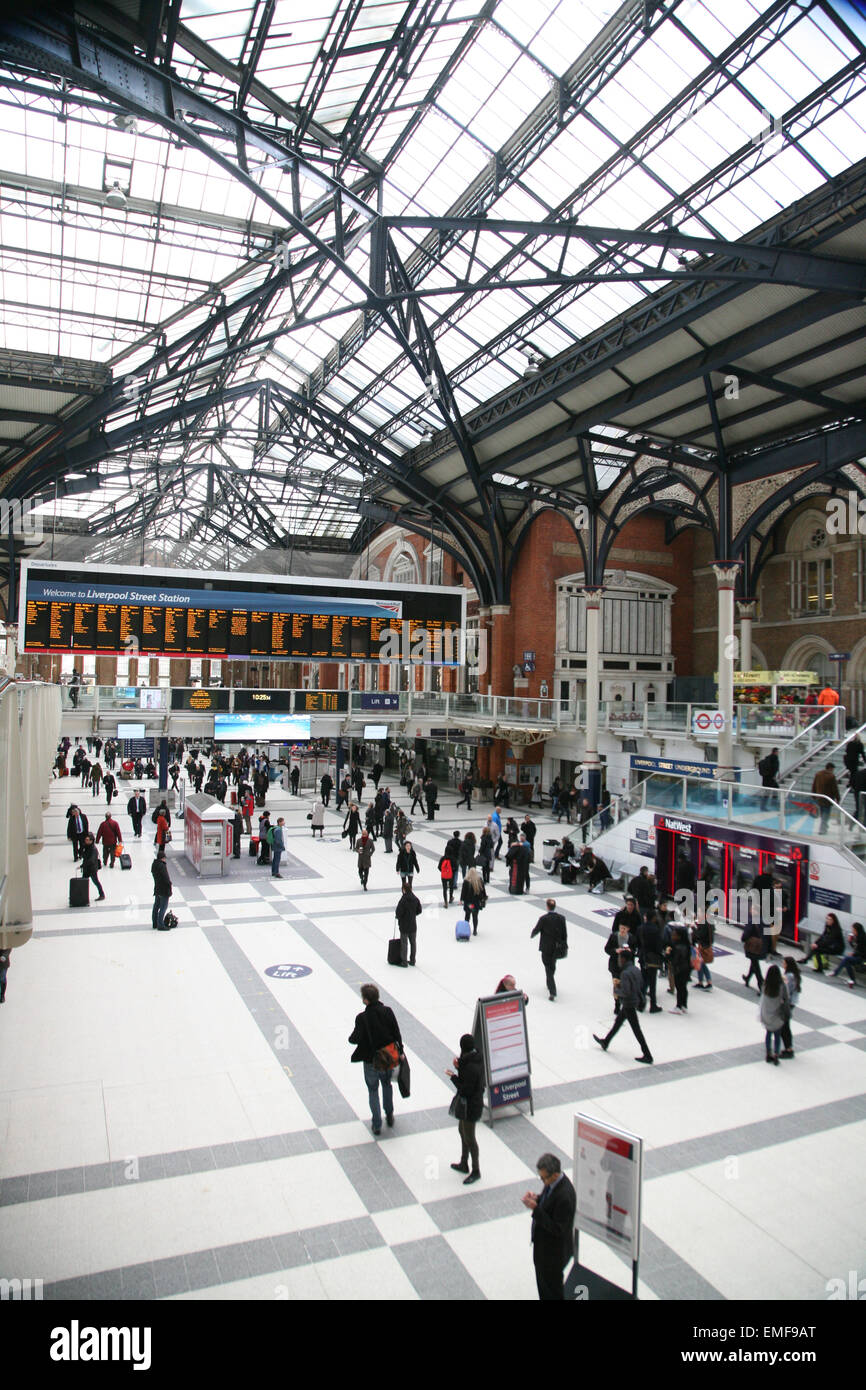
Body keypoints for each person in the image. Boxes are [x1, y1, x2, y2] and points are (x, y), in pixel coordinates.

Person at [348, 983, 403, 1136]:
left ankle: (377, 1124)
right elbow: (396, 1033)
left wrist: (352, 1038)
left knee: (373, 1090)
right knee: (387, 1084)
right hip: (387, 1058)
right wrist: (401, 1051)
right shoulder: (387, 1011)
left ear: (366, 1000)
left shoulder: (362, 1018)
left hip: (370, 1060)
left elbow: (355, 1038)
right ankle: (389, 1114)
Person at [521, 1153, 577, 1301]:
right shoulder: (552, 1184)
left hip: (553, 1255)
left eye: (544, 1178)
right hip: (543, 1251)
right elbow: (548, 1201)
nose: (543, 1182)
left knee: (552, 1291)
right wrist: (537, 1199)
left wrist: (536, 1209)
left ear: (555, 1174)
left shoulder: (565, 1196)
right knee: (544, 1288)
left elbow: (558, 1229)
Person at [594, 947, 653, 1064]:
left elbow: (626, 991)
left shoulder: (625, 973)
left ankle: (647, 1054)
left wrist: (617, 990)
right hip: (633, 1001)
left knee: (636, 1030)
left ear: (624, 959)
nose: (619, 960)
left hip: (628, 1003)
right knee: (618, 1022)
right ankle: (606, 1041)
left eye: (620, 958)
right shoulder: (635, 969)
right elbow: (639, 984)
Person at [446, 1033, 484, 1185]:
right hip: (469, 1105)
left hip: (471, 1107)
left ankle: (475, 1170)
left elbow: (466, 1089)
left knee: (469, 1137)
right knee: (462, 1131)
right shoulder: (474, 1060)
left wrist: (453, 1077)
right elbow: (466, 1069)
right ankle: (464, 1162)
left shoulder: (471, 1068)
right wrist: (459, 1066)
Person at [531, 899, 567, 1001]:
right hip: (556, 947)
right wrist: (564, 944)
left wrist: (532, 934)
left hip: (546, 947)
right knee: (552, 965)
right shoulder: (561, 918)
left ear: (547, 907)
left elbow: (537, 929)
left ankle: (552, 991)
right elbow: (564, 933)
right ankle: (549, 981)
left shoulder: (543, 919)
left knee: (548, 967)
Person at [759, 964, 789, 1065]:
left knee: (768, 1034)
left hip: (767, 1013)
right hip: (777, 1014)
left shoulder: (765, 985)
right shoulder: (781, 986)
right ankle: (776, 1054)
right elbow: (786, 998)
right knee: (777, 1035)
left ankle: (768, 1053)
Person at [637, 910, 665, 1013]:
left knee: (643, 980)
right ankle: (653, 1005)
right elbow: (659, 945)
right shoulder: (656, 930)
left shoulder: (640, 928)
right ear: (653, 918)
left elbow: (638, 942)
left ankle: (640, 1003)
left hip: (642, 956)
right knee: (652, 982)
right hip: (652, 958)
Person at [831, 921, 866, 988]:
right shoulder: (858, 937)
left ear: (856, 930)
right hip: (858, 956)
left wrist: (853, 953)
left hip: (862, 959)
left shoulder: (863, 938)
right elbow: (856, 948)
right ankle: (852, 979)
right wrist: (850, 941)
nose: (852, 931)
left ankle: (836, 972)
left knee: (846, 959)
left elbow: (863, 952)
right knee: (847, 962)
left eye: (853, 930)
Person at [395, 883, 422, 966]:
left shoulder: (403, 900)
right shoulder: (415, 899)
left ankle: (404, 961)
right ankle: (413, 960)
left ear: (404, 889)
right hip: (413, 924)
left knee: (404, 943)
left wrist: (398, 917)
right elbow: (419, 910)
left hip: (404, 925)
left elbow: (398, 912)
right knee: (413, 943)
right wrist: (413, 914)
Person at [666, 925, 692, 1013]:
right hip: (686, 969)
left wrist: (668, 954)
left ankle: (678, 1006)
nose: (672, 936)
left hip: (679, 970)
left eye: (674, 934)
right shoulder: (686, 945)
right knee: (683, 987)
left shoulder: (678, 947)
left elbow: (675, 960)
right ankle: (684, 1005)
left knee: (679, 988)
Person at [780, 957, 801, 1058]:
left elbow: (786, 990)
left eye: (784, 963)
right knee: (785, 1025)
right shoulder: (794, 975)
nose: (782, 964)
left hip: (788, 1003)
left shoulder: (789, 976)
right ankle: (788, 1047)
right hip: (791, 1002)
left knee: (784, 1026)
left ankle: (788, 1048)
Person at [811, 763, 840, 833]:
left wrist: (813, 795)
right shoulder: (831, 776)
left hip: (819, 797)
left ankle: (824, 826)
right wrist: (838, 798)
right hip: (827, 798)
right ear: (830, 768)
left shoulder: (818, 774)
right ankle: (822, 829)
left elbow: (814, 785)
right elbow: (834, 789)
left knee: (822, 813)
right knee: (826, 814)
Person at [461, 865, 487, 935]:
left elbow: (463, 892)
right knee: (475, 916)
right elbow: (483, 891)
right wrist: (484, 898)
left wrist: (462, 899)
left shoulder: (466, 881)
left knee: (467, 916)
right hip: (476, 903)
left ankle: (466, 929)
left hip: (469, 903)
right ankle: (475, 930)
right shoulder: (479, 880)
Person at [80, 833, 106, 902]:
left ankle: (102, 894)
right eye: (85, 839)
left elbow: (91, 860)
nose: (86, 841)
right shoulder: (86, 847)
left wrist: (84, 865)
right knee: (83, 882)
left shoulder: (93, 849)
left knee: (96, 882)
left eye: (87, 840)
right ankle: (82, 895)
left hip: (92, 869)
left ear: (91, 841)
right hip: (87, 868)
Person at [742, 915, 765, 991]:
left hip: (752, 946)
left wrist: (743, 939)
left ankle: (761, 983)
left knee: (755, 963)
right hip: (761, 945)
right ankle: (748, 978)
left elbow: (746, 933)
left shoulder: (752, 921)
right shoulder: (764, 921)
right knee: (754, 962)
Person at [692, 912, 715, 990]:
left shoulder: (703, 923)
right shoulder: (709, 922)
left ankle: (707, 982)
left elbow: (699, 935)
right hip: (707, 945)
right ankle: (702, 982)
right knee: (701, 964)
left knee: (701, 964)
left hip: (703, 946)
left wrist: (694, 928)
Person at [151, 847, 172, 930]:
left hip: (157, 889)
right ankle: (160, 925)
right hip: (163, 890)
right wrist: (169, 885)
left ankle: (155, 923)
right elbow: (166, 879)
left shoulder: (154, 865)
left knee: (156, 906)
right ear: (163, 858)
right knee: (163, 907)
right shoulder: (162, 866)